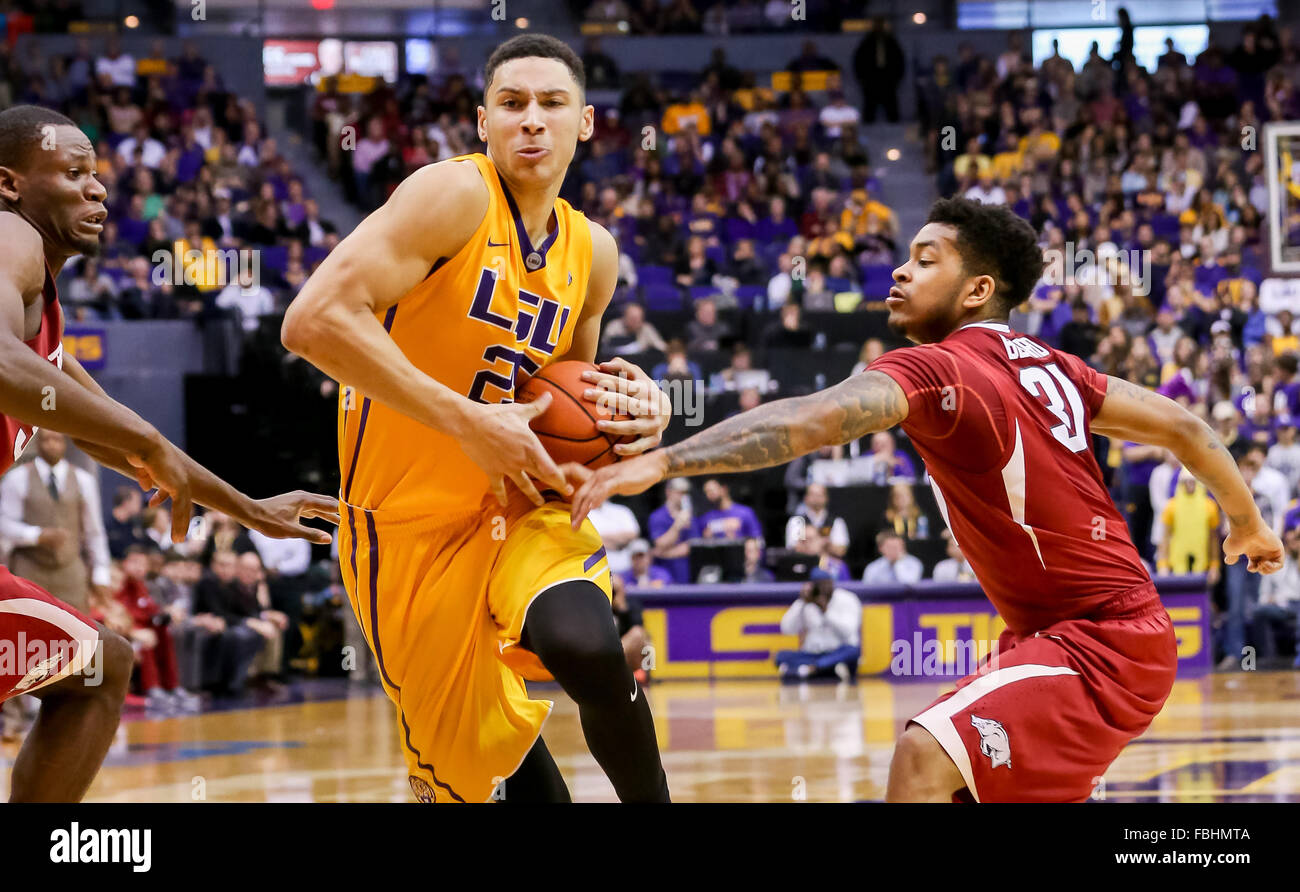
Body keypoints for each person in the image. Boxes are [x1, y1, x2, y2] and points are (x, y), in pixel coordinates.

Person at [568, 197, 1283, 803]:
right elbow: (1187, 427)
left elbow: (814, 419)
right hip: (1086, 636)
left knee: (922, 758)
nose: (901, 270)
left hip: (1099, 641)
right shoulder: (1057, 368)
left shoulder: (940, 365)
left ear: (975, 290)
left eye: (926, 257)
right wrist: (1247, 525)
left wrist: (665, 459)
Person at [281, 35, 671, 803]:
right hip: (407, 528)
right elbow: (311, 321)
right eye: (513, 104)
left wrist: (637, 416)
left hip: (518, 501)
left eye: (552, 105)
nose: (533, 121)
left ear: (586, 123)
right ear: (482, 122)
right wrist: (466, 421)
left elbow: (573, 398)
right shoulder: (452, 196)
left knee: (586, 644)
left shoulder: (594, 252)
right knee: (492, 783)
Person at [0, 104, 337, 801]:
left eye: (97, 175)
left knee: (98, 667)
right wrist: (148, 442)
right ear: (9, 183)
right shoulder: (9, 238)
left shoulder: (42, 311)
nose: (97, 189)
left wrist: (249, 510)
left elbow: (126, 444)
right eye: (72, 173)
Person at [774, 569, 862, 682]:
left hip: (838, 651)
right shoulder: (806, 601)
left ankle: (807, 669)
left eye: (825, 585)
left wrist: (825, 611)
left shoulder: (847, 599)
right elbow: (786, 629)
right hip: (812, 655)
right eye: (818, 585)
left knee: (853, 651)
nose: (822, 589)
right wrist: (801, 603)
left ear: (831, 583)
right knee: (780, 656)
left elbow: (848, 631)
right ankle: (822, 668)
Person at [609, 574, 649, 684]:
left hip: (627, 654)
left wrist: (622, 608)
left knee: (638, 633)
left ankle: (613, 669)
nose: (614, 594)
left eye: (616, 591)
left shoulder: (632, 604)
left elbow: (639, 629)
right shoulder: (601, 606)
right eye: (611, 590)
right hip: (608, 650)